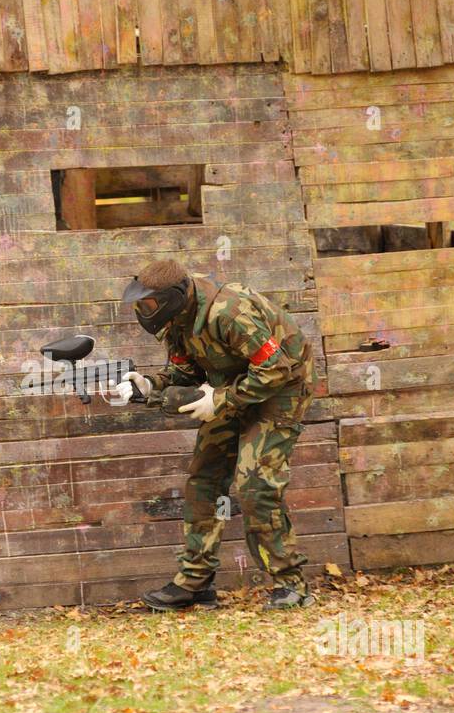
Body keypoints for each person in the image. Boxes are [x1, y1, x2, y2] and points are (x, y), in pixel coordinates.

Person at [114, 261, 317, 612]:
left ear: (173, 297)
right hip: (232, 385)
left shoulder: (229, 311)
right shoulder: (176, 320)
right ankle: (195, 583)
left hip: (282, 389)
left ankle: (291, 585)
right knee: (204, 479)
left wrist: (219, 399)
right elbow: (184, 371)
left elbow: (277, 369)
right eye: (140, 306)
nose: (143, 312)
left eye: (148, 306)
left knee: (256, 484)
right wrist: (149, 385)